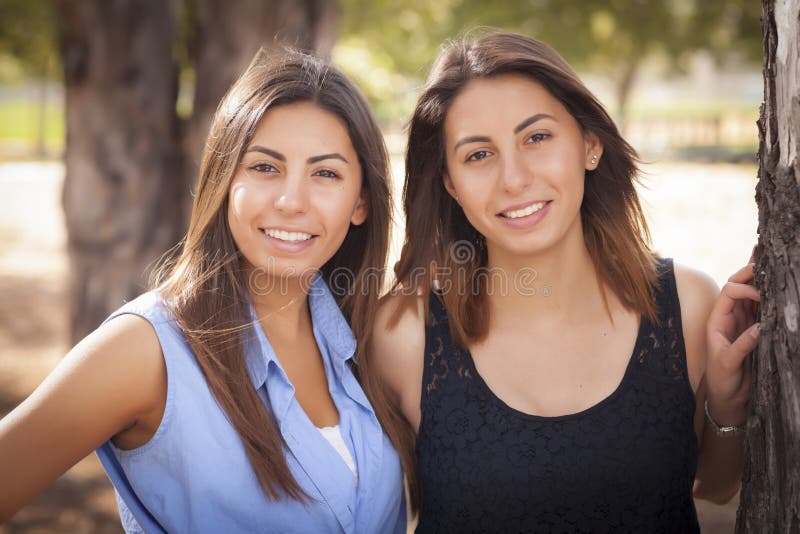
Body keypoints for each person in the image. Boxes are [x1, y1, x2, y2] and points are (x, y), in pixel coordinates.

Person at [367, 30, 759, 532]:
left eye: (537, 137)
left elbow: (716, 485)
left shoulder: (689, 303)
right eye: (478, 155)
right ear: (450, 184)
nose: (514, 178)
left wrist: (726, 403)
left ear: (590, 144)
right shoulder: (403, 333)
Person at [0, 49, 405, 533]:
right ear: (223, 179)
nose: (291, 201)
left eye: (325, 173)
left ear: (360, 202)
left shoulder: (371, 343)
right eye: (264, 167)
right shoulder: (147, 349)